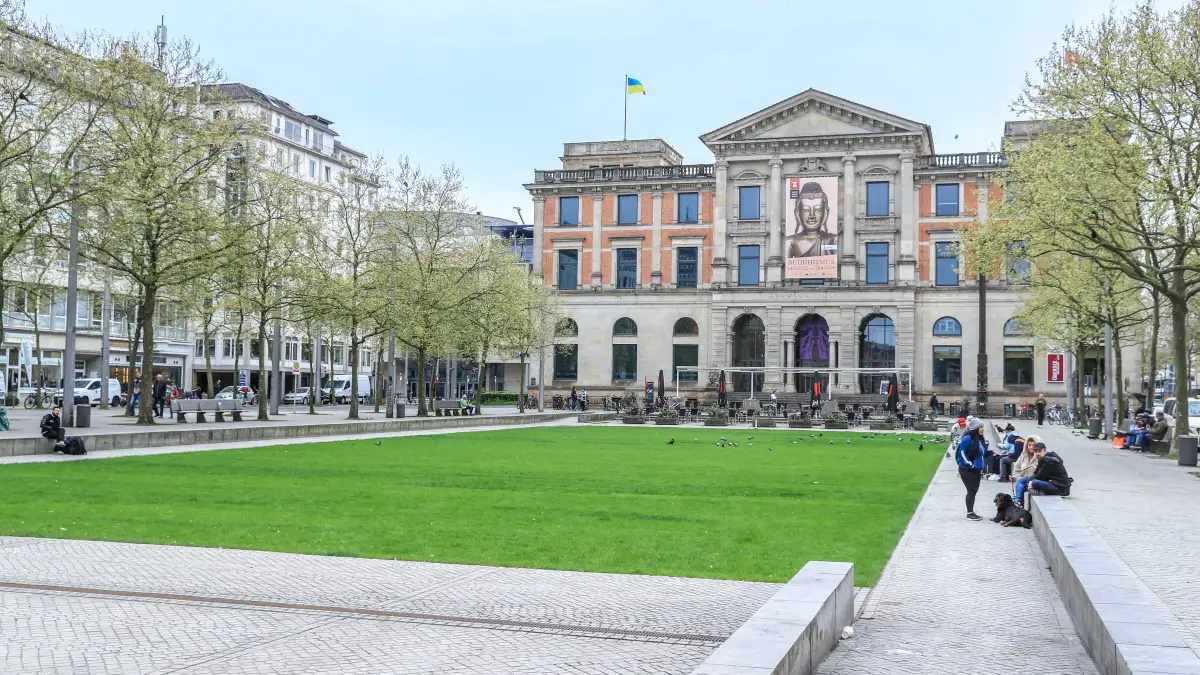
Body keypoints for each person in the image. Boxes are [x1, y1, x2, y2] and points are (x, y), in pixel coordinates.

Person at [955, 417, 987, 520]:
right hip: (967, 469)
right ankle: (969, 513)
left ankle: (971, 511)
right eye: (981, 427)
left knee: (974, 490)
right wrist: (970, 464)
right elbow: (962, 452)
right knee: (971, 490)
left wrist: (990, 453)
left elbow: (982, 452)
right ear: (976, 428)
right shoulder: (967, 438)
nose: (983, 429)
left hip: (977, 470)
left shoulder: (979, 439)